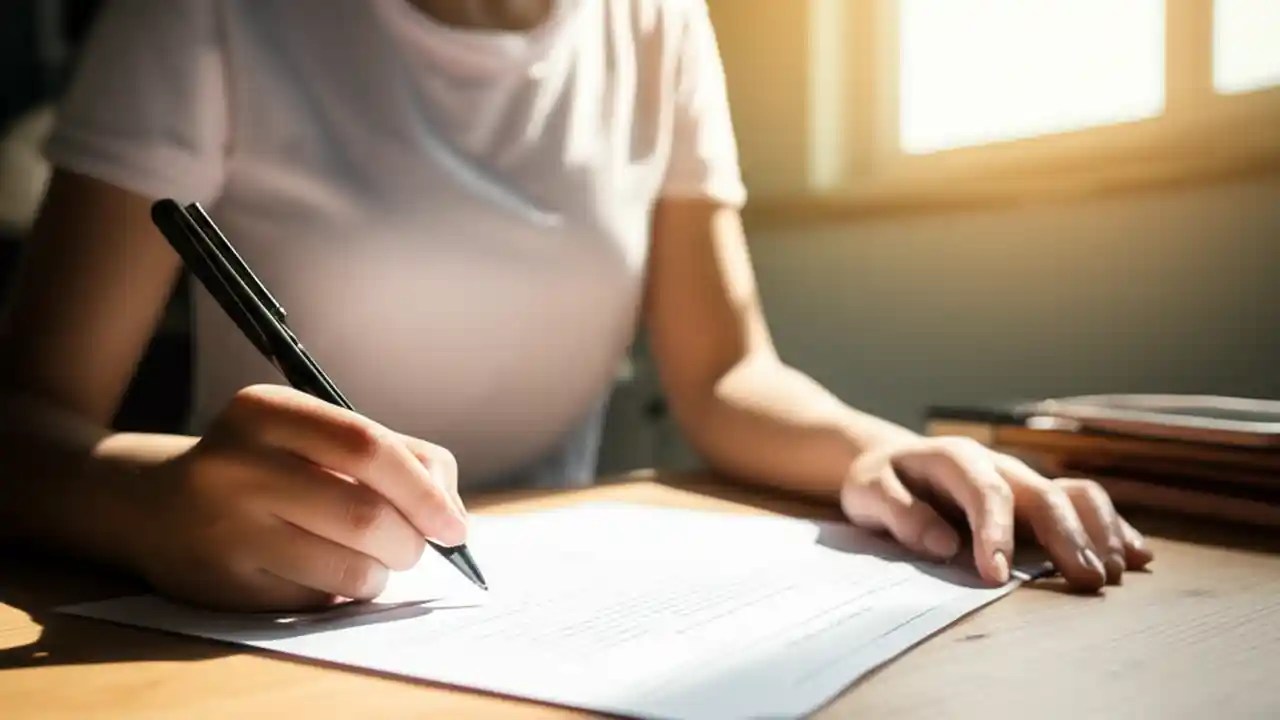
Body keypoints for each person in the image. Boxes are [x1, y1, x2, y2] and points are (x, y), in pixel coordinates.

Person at [0, 0, 1151, 611]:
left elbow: (723, 377)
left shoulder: (658, 20)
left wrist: (888, 453)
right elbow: (24, 422)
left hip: (554, 629)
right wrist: (152, 505)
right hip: (274, 604)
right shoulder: (200, 16)